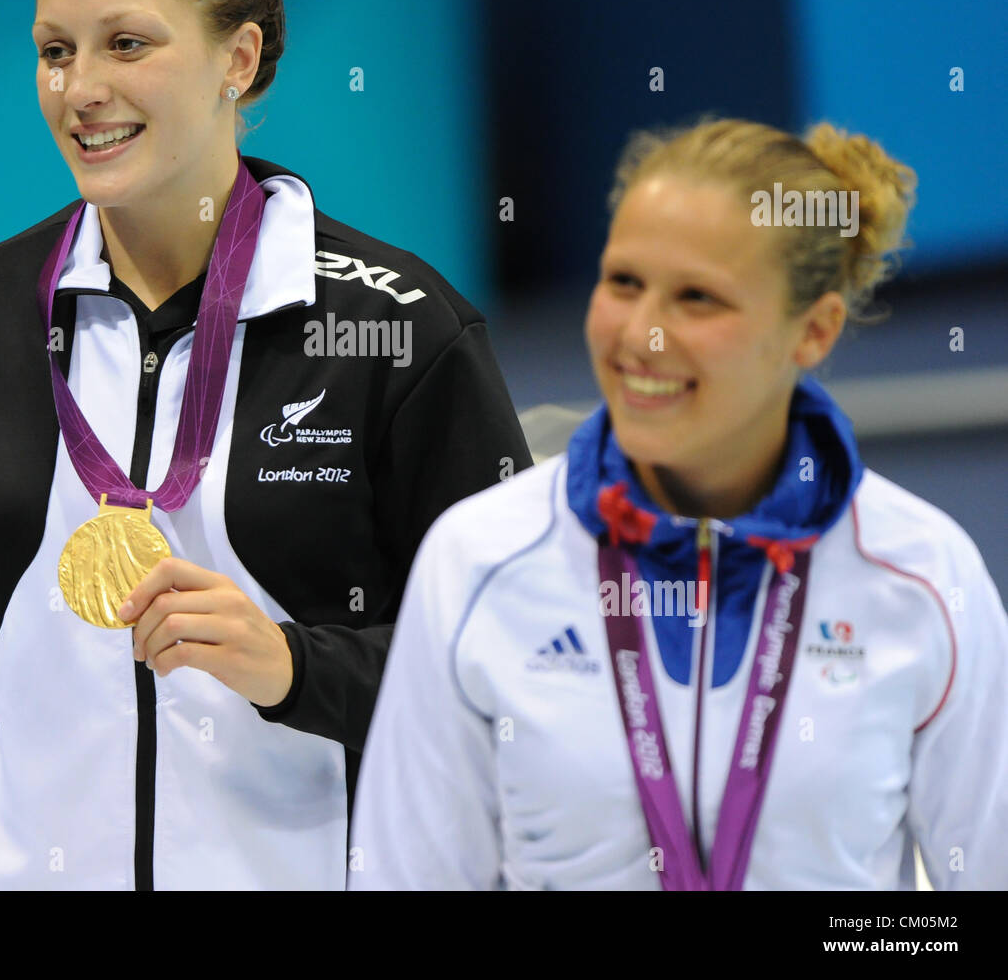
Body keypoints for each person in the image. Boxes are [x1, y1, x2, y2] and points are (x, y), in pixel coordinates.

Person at [0, 0, 531, 891]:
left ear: (236, 59)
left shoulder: (398, 329)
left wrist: (296, 667)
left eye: (127, 44)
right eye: (55, 52)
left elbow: (515, 675)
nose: (81, 89)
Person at [349, 118, 1008, 890]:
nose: (643, 337)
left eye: (699, 298)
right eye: (624, 282)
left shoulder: (921, 573)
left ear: (815, 330)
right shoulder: (479, 559)